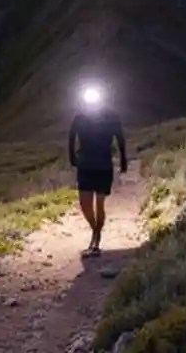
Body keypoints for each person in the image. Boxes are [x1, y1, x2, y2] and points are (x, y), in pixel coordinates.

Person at [68, 104, 127, 257]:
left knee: (99, 203)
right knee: (85, 204)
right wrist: (72, 157)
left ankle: (96, 238)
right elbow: (71, 136)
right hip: (86, 165)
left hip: (103, 166)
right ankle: (95, 230)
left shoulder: (111, 117)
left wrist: (123, 160)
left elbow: (120, 137)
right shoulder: (80, 117)